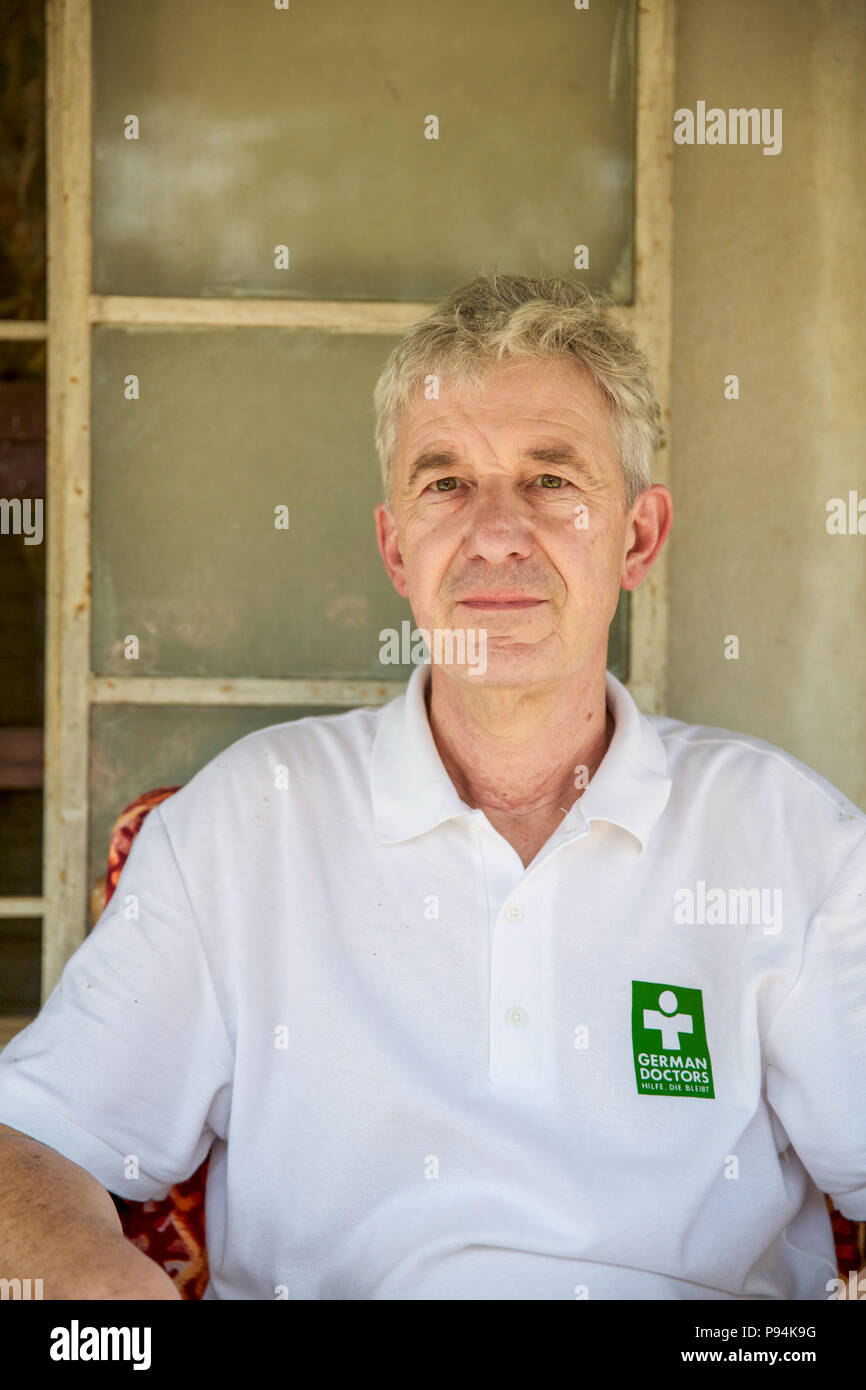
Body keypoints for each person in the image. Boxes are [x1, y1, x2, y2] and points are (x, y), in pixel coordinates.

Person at [1, 272, 864, 1300]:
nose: (495, 529)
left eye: (551, 480)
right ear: (394, 546)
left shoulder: (785, 838)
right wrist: (105, 1291)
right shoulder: (247, 822)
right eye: (445, 483)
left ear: (635, 537)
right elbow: (28, 1140)